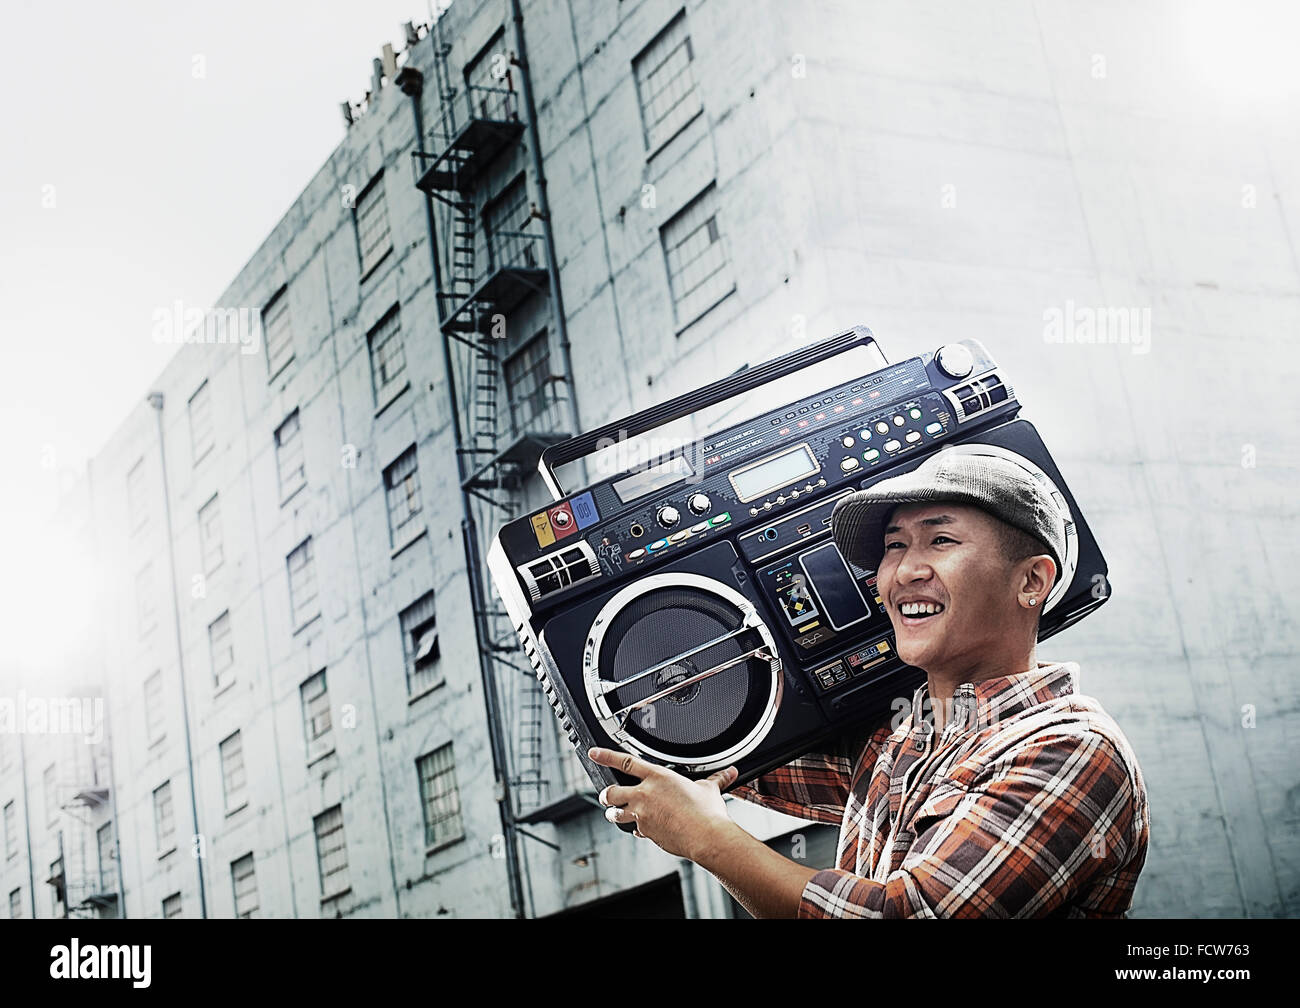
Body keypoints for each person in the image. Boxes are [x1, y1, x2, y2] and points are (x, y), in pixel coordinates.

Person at [589, 447, 1149, 918]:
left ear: (1031, 580)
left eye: (941, 541)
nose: (905, 571)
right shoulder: (906, 737)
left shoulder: (1069, 747)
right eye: (894, 546)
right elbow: (728, 760)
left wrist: (708, 839)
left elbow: (902, 914)